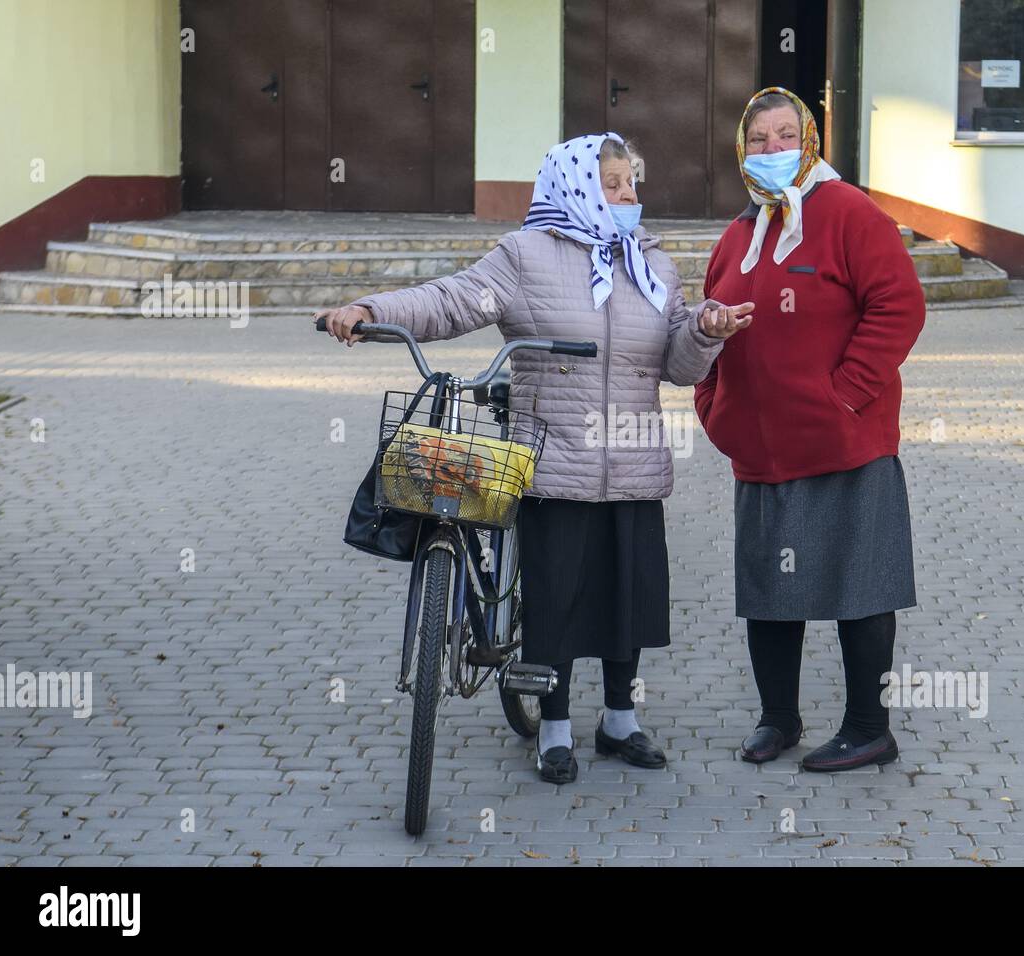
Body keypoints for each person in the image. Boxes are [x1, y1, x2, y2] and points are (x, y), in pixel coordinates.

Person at [321, 133, 753, 783]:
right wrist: (370, 309)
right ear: (576, 185)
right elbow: (451, 300)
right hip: (556, 461)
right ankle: (553, 730)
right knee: (556, 601)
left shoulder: (651, 264)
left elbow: (676, 364)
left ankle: (619, 721)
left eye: (632, 181)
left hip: (632, 464)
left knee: (626, 598)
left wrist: (704, 332)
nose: (628, 192)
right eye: (612, 182)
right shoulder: (527, 256)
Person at [694, 88, 925, 772]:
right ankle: (779, 719)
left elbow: (899, 306)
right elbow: (705, 322)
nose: (772, 150)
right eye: (759, 139)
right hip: (763, 454)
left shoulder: (849, 212)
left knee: (861, 588)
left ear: (811, 140)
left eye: (785, 135)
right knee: (770, 593)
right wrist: (715, 405)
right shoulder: (740, 232)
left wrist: (845, 395)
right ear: (743, 149)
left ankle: (867, 729)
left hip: (845, 446)